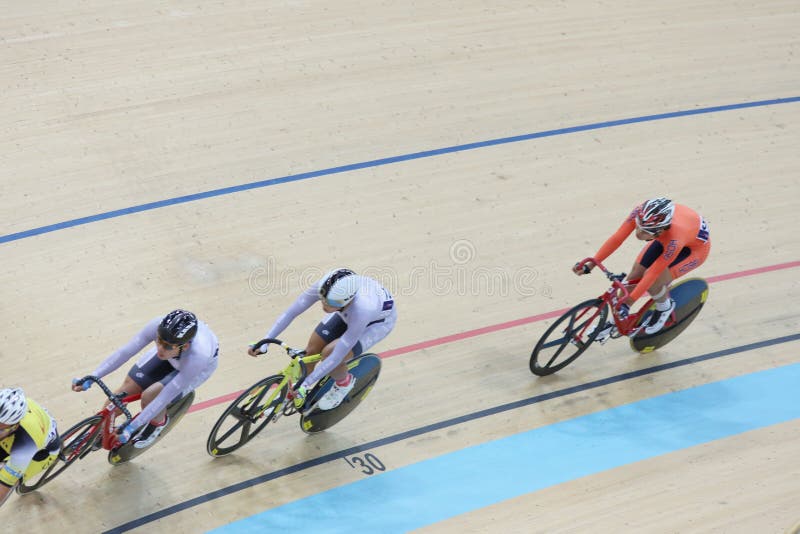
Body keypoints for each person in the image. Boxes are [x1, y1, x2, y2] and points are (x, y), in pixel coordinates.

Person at [249, 268, 397, 411]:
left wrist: (305, 384)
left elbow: (337, 355)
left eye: (330, 304)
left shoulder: (363, 309)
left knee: (329, 353)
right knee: (311, 352)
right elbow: (291, 312)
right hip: (345, 313)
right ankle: (294, 394)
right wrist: (266, 341)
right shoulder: (327, 286)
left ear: (346, 301)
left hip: (374, 325)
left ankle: (343, 384)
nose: (324, 306)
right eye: (323, 300)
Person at [72, 309, 218, 448]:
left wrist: (132, 427)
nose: (160, 348)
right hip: (172, 358)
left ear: (184, 346)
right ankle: (97, 431)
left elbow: (164, 397)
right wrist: (92, 377)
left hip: (194, 369)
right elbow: (125, 352)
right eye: (158, 341)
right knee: (124, 392)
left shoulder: (198, 357)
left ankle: (158, 423)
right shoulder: (158, 326)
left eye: (167, 346)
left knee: (150, 396)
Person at [573, 197, 711, 339]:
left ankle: (665, 307)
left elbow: (652, 273)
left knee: (655, 282)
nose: (638, 233)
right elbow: (617, 238)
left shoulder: (674, 239)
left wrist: (627, 303)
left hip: (694, 251)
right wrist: (591, 264)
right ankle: (615, 322)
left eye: (646, 231)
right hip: (670, 235)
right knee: (634, 276)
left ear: (661, 229)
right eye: (638, 226)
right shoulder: (641, 213)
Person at [0, 387, 59, 505]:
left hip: (43, 452)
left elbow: (3, 487)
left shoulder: (26, 445)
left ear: (14, 426)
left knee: (7, 475)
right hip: (26, 426)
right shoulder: (6, 422)